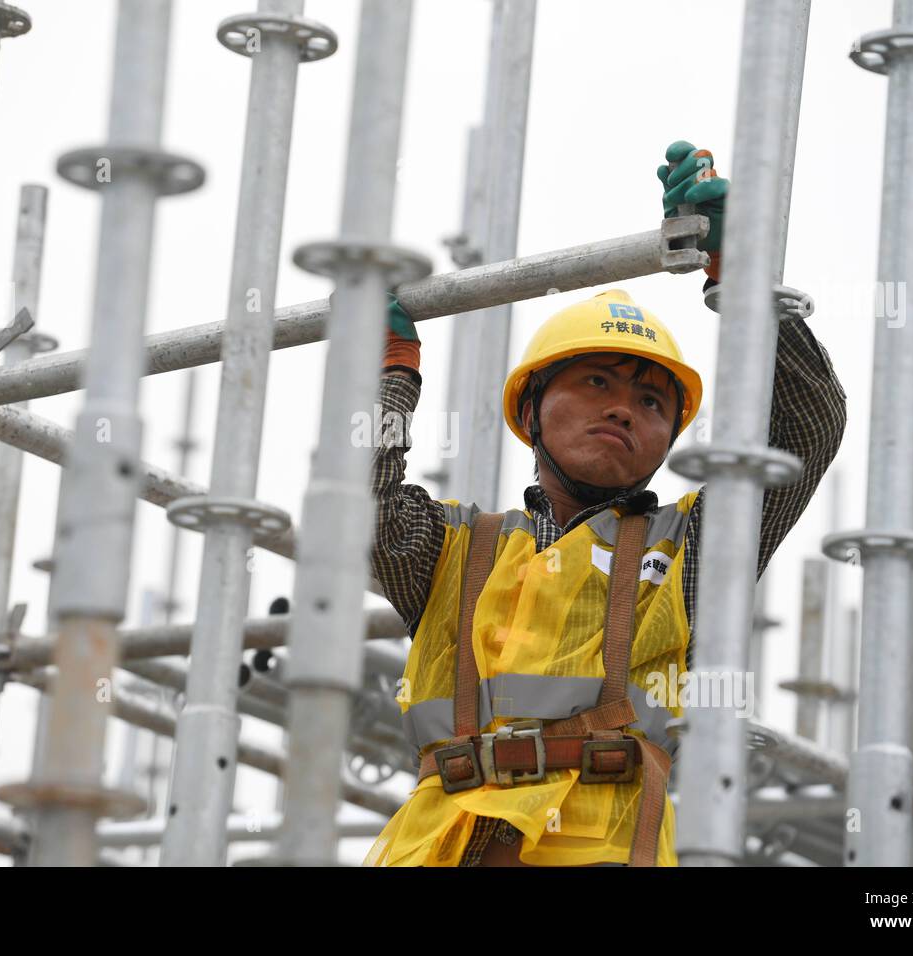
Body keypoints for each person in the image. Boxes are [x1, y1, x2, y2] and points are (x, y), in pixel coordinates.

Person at [362, 141, 847, 867]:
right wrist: (392, 375)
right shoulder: (452, 550)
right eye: (595, 383)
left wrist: (743, 276)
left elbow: (809, 430)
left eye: (650, 400)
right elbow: (357, 498)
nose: (623, 409)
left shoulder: (687, 551)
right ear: (532, 406)